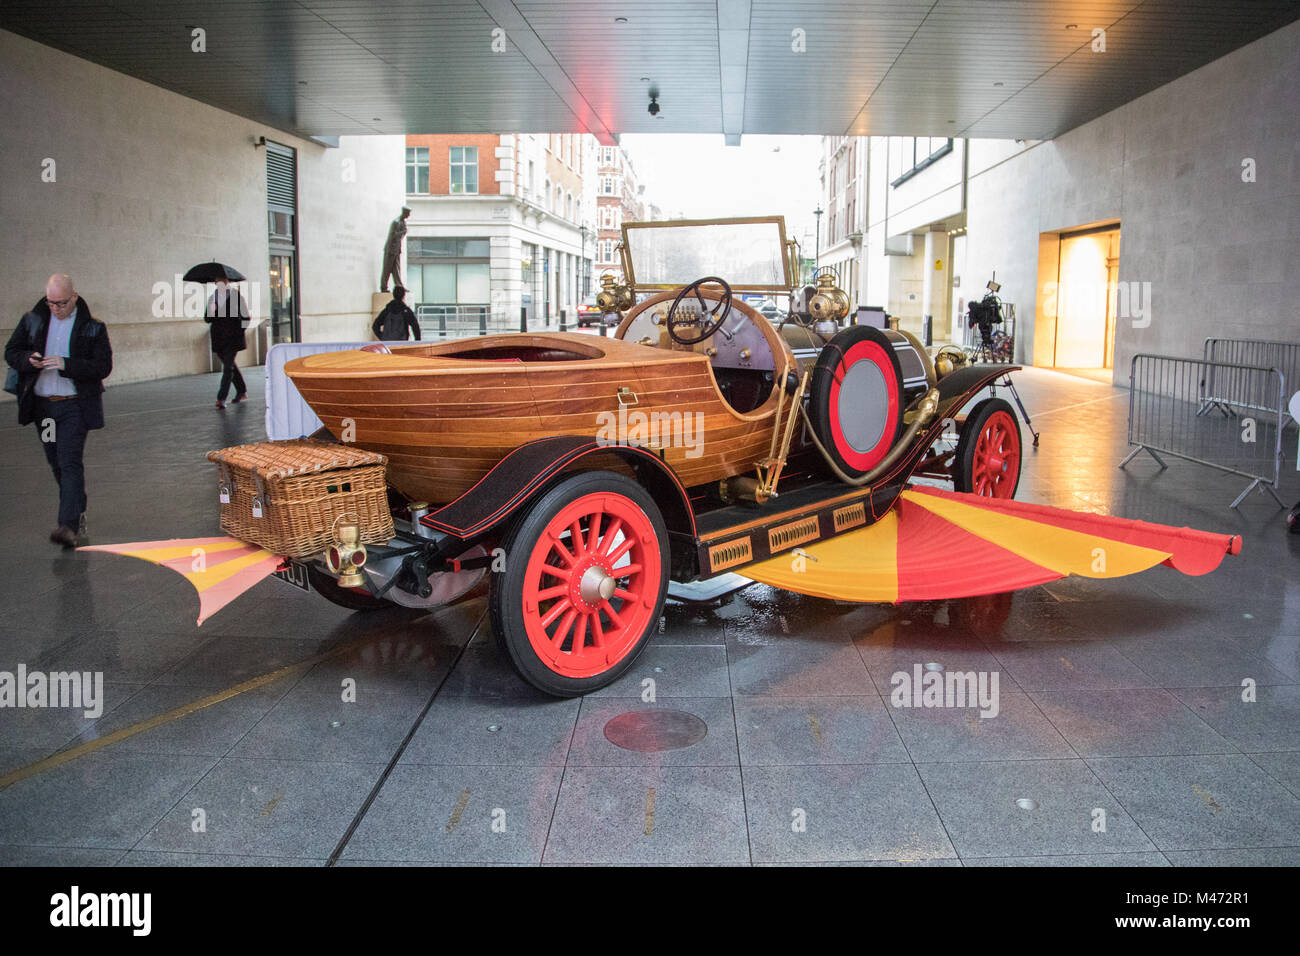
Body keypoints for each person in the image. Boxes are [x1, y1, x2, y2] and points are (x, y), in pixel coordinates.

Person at [4, 274, 113, 548]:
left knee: (69, 460)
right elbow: (11, 351)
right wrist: (27, 360)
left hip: (74, 406)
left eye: (61, 303)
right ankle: (78, 506)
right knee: (55, 461)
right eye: (50, 302)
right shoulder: (33, 320)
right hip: (44, 409)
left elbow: (102, 367)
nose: (55, 308)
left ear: (74, 297)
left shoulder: (93, 327)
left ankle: (67, 525)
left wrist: (66, 364)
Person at [205, 278, 249, 409]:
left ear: (226, 281)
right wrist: (211, 310)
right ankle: (242, 391)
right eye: (217, 281)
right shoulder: (213, 298)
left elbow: (246, 317)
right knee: (230, 367)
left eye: (221, 280)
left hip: (232, 339)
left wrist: (238, 332)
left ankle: (221, 398)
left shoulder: (236, 296)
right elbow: (207, 319)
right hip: (218, 339)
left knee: (228, 368)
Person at [379, 206, 411, 293]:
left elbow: (400, 236)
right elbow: (393, 235)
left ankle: (399, 286)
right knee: (387, 269)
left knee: (396, 269)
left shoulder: (403, 222)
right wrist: (403, 232)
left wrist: (403, 232)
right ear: (404, 213)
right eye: (408, 214)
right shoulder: (396, 222)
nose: (408, 216)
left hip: (396, 249)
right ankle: (383, 287)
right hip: (390, 249)